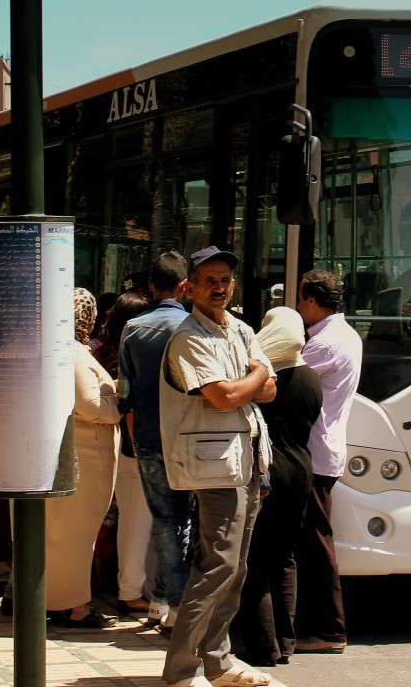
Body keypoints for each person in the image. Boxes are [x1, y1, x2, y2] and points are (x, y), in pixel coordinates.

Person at [159, 245, 277, 687]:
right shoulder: (189, 337)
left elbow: (270, 388)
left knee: (235, 565)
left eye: (225, 279)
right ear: (190, 286)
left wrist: (252, 380)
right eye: (209, 279)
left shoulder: (241, 330)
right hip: (214, 462)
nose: (219, 287)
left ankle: (218, 660)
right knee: (218, 564)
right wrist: (256, 377)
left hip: (246, 458)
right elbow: (224, 396)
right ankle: (181, 669)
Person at [234, 305, 323, 668]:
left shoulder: (266, 379)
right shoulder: (311, 378)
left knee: (257, 559)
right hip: (302, 468)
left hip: (270, 469)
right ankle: (286, 643)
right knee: (285, 558)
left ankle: (263, 647)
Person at [117, 250, 193, 633]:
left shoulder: (133, 329)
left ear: (150, 286)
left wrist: (134, 436)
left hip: (146, 437)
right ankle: (172, 603)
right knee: (182, 519)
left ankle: (164, 601)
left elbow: (125, 392)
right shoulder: (192, 327)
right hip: (187, 437)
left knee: (165, 520)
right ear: (184, 286)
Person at [293, 268, 363, 656]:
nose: (299, 305)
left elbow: (281, 378)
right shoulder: (341, 335)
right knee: (313, 538)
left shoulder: (325, 343)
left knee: (316, 541)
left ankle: (329, 629)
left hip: (316, 450)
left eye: (301, 299)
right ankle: (321, 627)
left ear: (313, 301)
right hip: (323, 448)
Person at [45, 288, 123, 628]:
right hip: (85, 455)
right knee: (76, 533)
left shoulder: (56, 347)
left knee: (64, 532)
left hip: (72, 451)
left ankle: (59, 600)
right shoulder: (73, 352)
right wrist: (117, 403)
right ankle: (73, 606)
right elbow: (89, 406)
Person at [97, 290, 154, 615]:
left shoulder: (99, 350)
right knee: (137, 519)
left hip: (105, 445)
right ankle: (130, 590)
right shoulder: (130, 354)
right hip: (131, 445)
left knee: (115, 517)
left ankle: (111, 584)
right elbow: (129, 404)